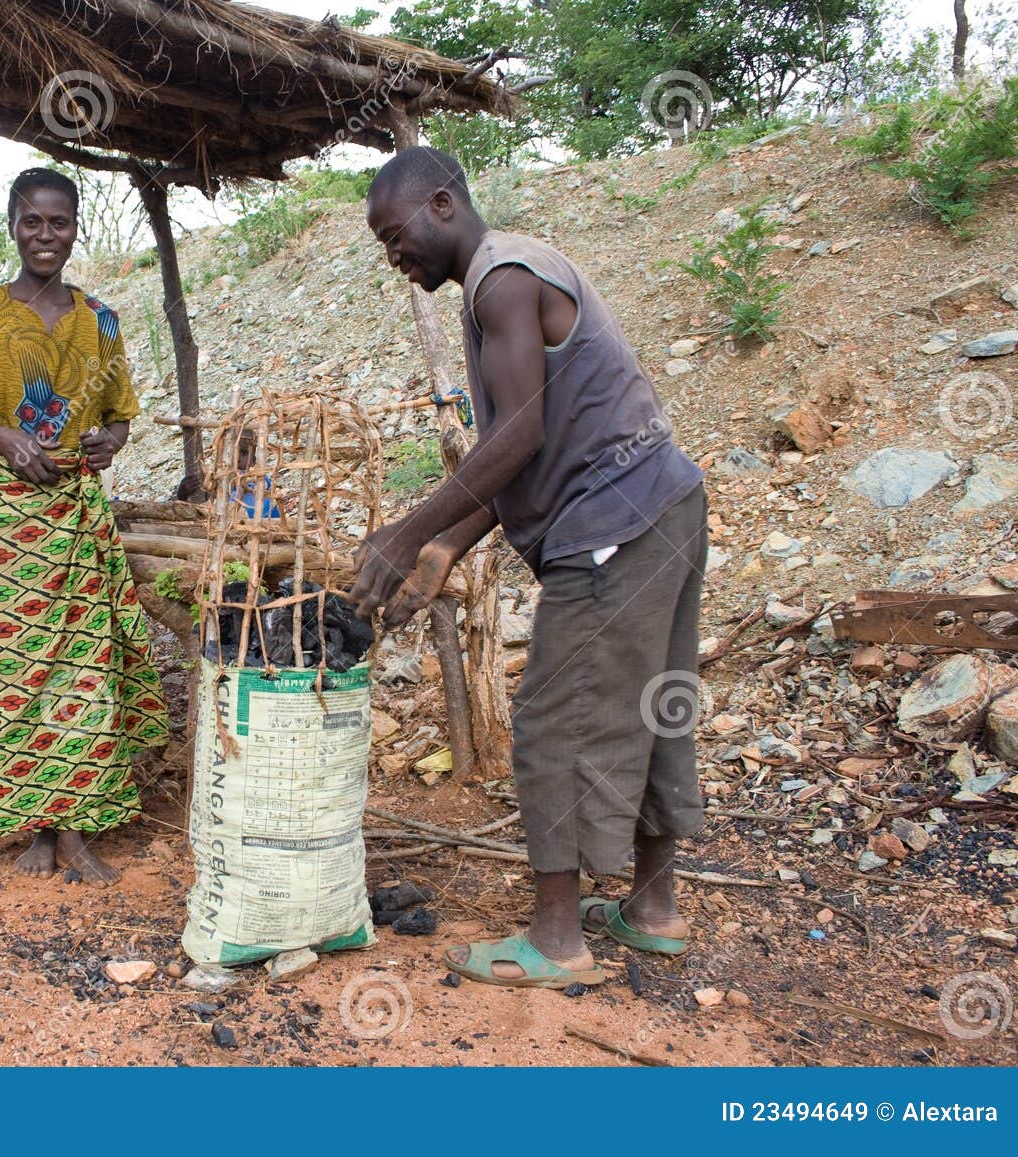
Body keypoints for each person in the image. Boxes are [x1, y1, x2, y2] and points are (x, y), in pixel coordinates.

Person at [352, 147, 708, 988]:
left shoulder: (498, 278)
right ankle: (653, 911)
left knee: (557, 717)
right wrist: (445, 547)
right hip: (665, 501)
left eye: (394, 235)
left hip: (614, 524)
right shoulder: (515, 270)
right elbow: (526, 448)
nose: (392, 256)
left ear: (442, 204)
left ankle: (556, 942)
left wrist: (404, 531)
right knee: (655, 706)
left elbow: (520, 433)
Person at [0, 167, 169, 886]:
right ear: (11, 225)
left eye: (59, 223)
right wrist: (2, 438)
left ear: (76, 228)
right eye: (32, 222)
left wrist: (110, 443)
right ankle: (34, 827)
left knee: (83, 677)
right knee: (13, 676)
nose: (45, 236)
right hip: (4, 521)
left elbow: (119, 413)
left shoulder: (102, 319)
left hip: (78, 516)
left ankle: (78, 831)